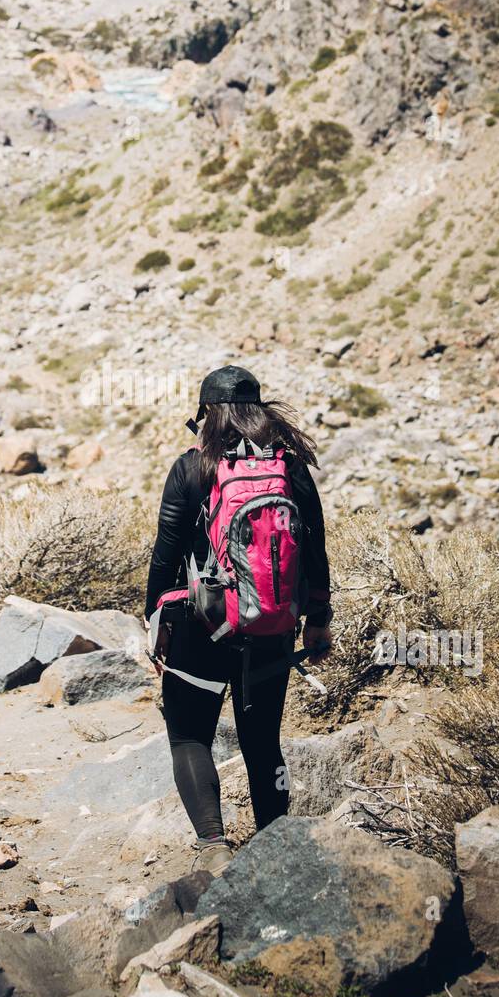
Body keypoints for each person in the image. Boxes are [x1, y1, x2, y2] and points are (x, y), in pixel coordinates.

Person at [144, 365, 332, 876]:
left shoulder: (191, 468)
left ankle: (213, 845)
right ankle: (276, 842)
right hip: (270, 625)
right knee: (262, 740)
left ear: (207, 414)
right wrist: (319, 617)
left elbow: (165, 557)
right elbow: (313, 546)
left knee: (189, 736)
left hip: (202, 626)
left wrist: (154, 621)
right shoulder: (290, 469)